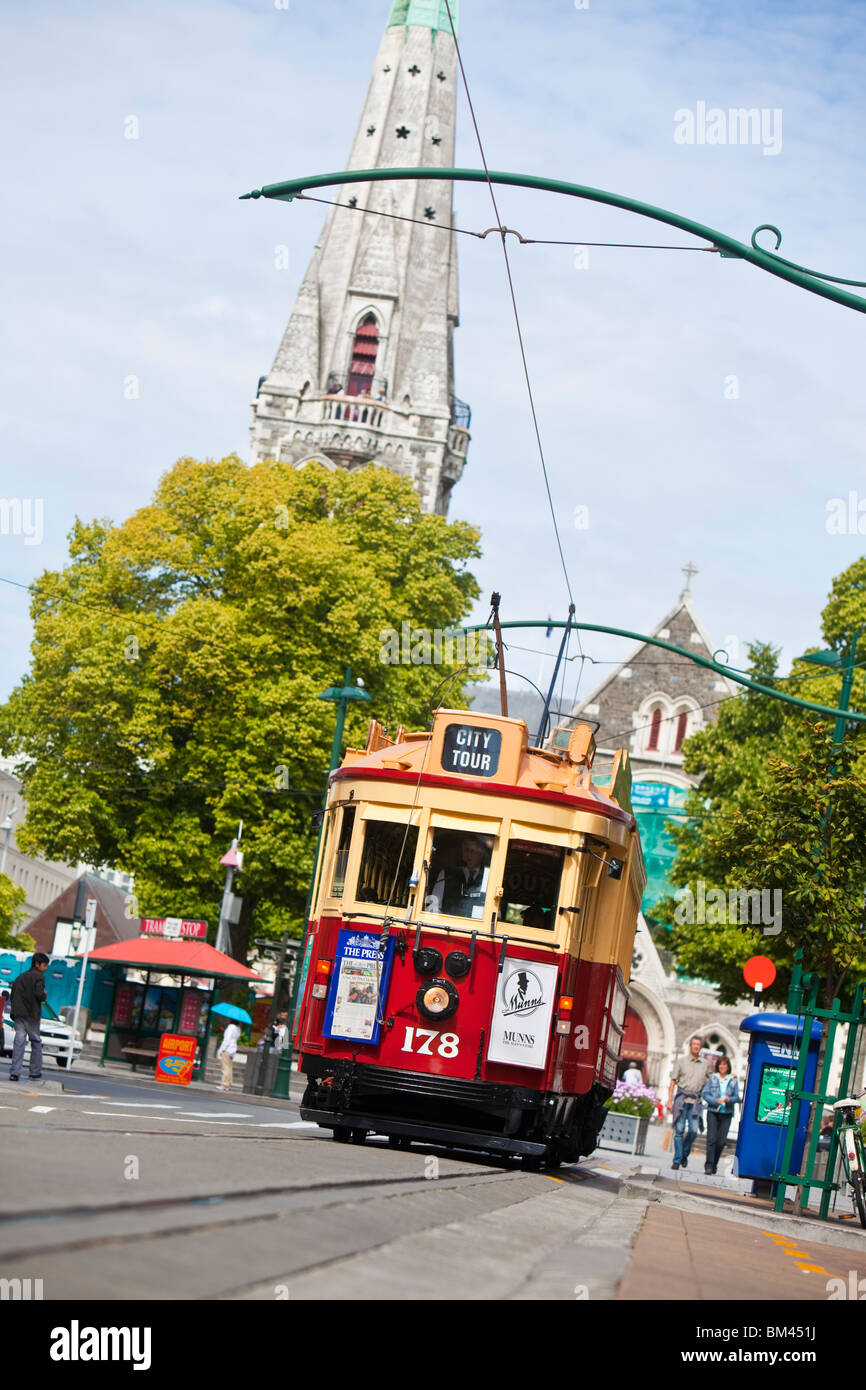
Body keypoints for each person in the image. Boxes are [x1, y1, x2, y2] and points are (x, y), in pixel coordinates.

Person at [667, 1035, 711, 1170]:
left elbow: (710, 1083)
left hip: (696, 1101)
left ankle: (684, 1154)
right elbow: (673, 1081)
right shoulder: (681, 1061)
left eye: (698, 1044)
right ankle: (677, 1160)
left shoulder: (706, 1064)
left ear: (701, 1047)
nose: (696, 1046)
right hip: (681, 1099)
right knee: (679, 1130)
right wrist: (669, 1100)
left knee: (693, 1131)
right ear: (690, 1046)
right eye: (694, 1044)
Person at [9, 952, 49, 1083]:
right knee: (36, 1041)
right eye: (44, 965)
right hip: (32, 1015)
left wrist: (14, 1012)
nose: (46, 968)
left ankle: (15, 1073)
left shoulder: (20, 977)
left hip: (19, 1014)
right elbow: (39, 995)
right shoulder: (39, 977)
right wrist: (44, 994)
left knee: (19, 1042)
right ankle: (35, 1072)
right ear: (37, 964)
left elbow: (13, 995)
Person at [425, 836, 489, 918]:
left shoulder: (488, 877)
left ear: (481, 854)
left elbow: (494, 914)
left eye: (473, 851)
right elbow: (433, 906)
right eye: (466, 850)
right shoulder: (447, 873)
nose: (469, 854)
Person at [701, 1055, 740, 1173]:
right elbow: (705, 1094)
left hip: (726, 1113)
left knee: (721, 1141)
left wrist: (729, 1099)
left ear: (728, 1067)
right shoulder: (713, 1078)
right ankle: (708, 1165)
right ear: (717, 1066)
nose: (723, 1066)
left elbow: (737, 1097)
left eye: (725, 1064)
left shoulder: (733, 1080)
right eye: (721, 1064)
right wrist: (715, 1101)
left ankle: (714, 1163)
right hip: (713, 1111)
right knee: (711, 1139)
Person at [216, 1018, 241, 1091]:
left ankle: (224, 1084)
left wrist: (221, 1049)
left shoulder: (230, 1027)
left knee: (225, 1068)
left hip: (227, 1049)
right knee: (229, 1068)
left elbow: (227, 1039)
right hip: (233, 1049)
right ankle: (228, 1084)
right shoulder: (238, 1029)